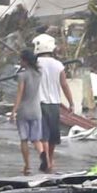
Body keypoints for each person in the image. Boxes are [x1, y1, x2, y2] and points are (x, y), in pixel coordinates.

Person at [32, 33, 68, 173]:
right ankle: (50, 161)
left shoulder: (34, 64)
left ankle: (45, 158)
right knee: (53, 136)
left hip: (39, 103)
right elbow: (64, 84)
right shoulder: (59, 65)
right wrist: (71, 102)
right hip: (55, 104)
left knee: (43, 135)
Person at [13, 46, 44, 172]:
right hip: (36, 110)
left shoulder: (22, 75)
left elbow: (20, 94)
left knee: (24, 139)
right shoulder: (39, 73)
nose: (20, 62)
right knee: (36, 139)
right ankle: (43, 155)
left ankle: (27, 166)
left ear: (25, 61)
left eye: (21, 60)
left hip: (24, 111)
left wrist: (14, 111)